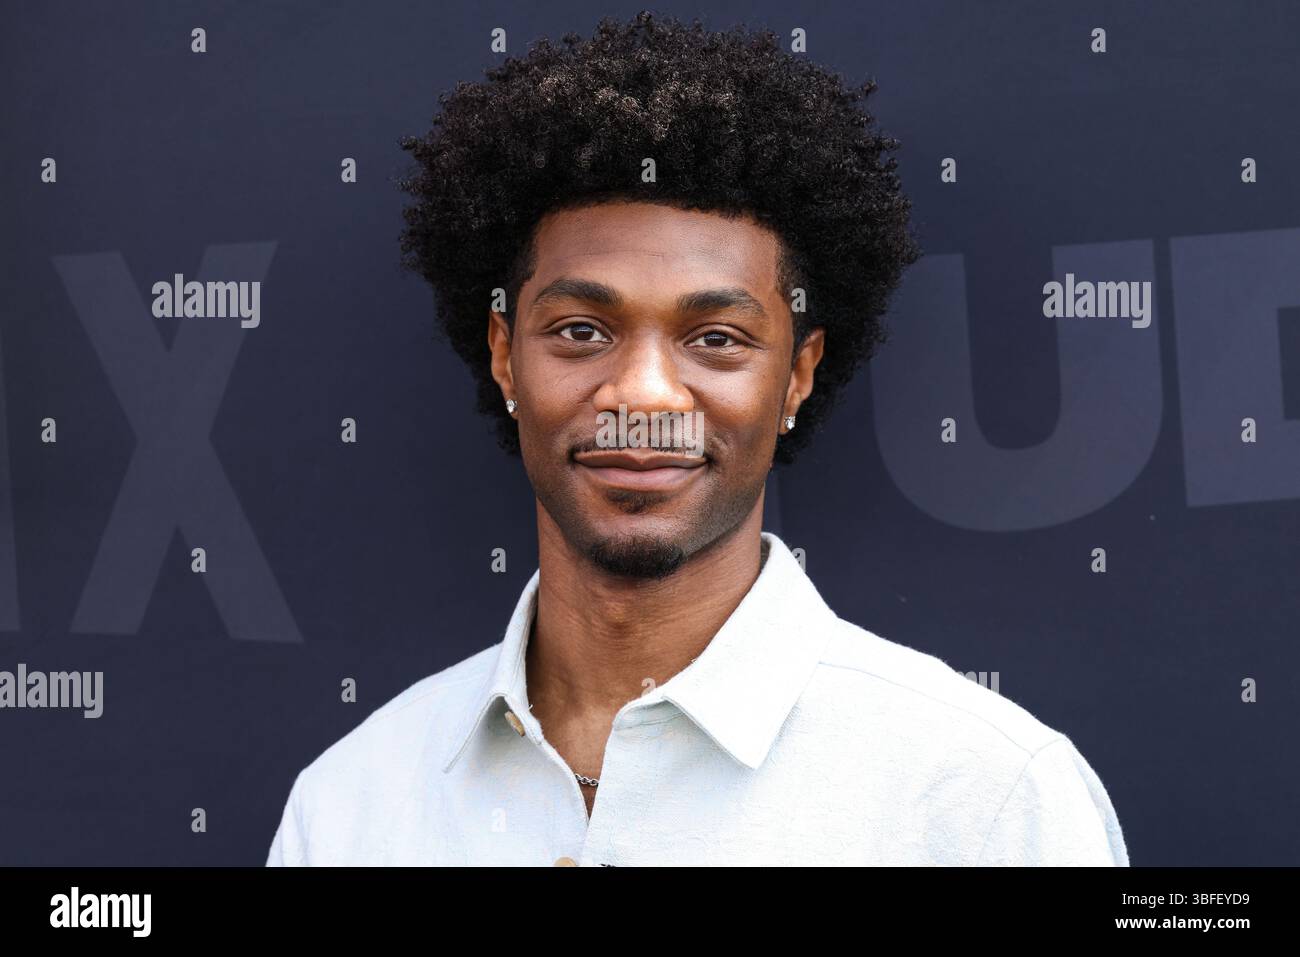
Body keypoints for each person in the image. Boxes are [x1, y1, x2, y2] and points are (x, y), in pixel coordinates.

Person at [267, 10, 1128, 866]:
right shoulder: (352, 806)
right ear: (504, 356)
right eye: (579, 329)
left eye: (716, 338)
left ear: (797, 372)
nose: (642, 393)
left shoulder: (987, 801)